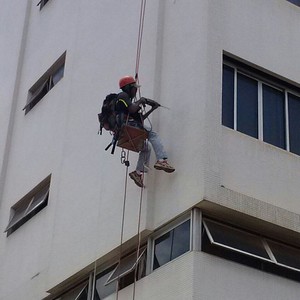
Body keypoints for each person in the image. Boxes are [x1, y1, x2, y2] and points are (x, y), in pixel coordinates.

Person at [116, 75, 175, 187]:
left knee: (146, 147)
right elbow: (133, 109)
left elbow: (140, 119)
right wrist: (142, 100)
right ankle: (161, 161)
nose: (136, 89)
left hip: (129, 126)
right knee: (153, 135)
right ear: (128, 87)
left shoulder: (127, 102)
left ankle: (138, 172)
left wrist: (152, 108)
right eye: (134, 87)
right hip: (128, 126)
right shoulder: (123, 95)